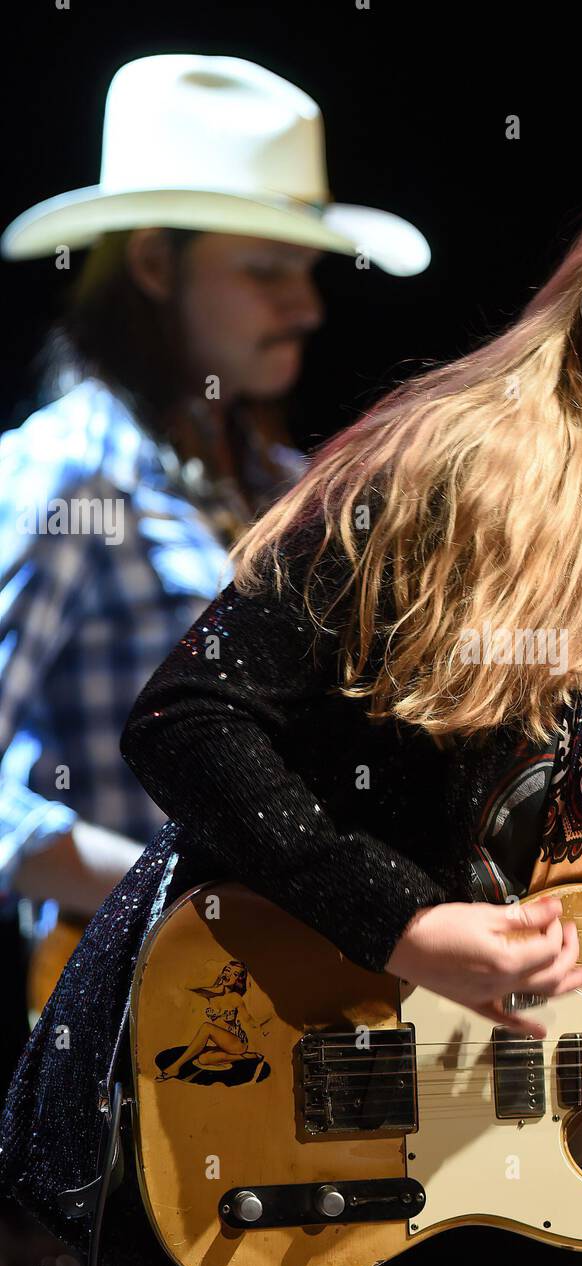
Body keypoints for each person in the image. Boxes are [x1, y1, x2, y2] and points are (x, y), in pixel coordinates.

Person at [0, 155, 582, 1266]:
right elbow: (184, 716)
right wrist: (408, 925)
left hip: (487, 1196)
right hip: (273, 1109)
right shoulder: (438, 483)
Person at [0, 54, 430, 1054]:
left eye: (309, 272)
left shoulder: (292, 488)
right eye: (266, 271)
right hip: (130, 1016)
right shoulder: (66, 477)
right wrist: (187, 893)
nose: (309, 306)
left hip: (298, 1011)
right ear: (154, 265)